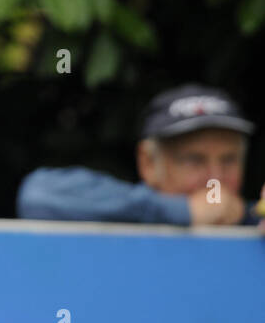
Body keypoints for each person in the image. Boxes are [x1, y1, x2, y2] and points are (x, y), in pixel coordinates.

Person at [17, 83, 261, 227]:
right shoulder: (130, 218)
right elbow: (39, 195)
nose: (214, 180)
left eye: (229, 160)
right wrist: (183, 212)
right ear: (148, 163)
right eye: (194, 160)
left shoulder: (254, 223)